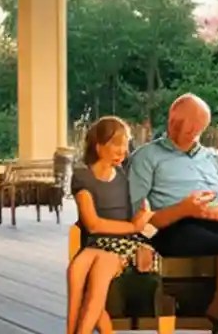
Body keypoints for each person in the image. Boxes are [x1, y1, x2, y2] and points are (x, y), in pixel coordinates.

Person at [128, 94, 218, 334]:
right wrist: (186, 209)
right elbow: (141, 219)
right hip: (174, 227)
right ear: (172, 120)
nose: (197, 131)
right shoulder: (147, 156)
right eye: (191, 124)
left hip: (216, 218)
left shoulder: (209, 157)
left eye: (201, 126)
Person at [67, 116, 153, 334]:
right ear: (98, 145)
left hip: (120, 245)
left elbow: (144, 210)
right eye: (116, 143)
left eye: (125, 143)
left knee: (96, 286)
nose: (122, 149)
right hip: (94, 242)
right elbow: (93, 225)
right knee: (75, 272)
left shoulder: (126, 176)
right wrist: (133, 226)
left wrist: (139, 226)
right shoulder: (83, 177)